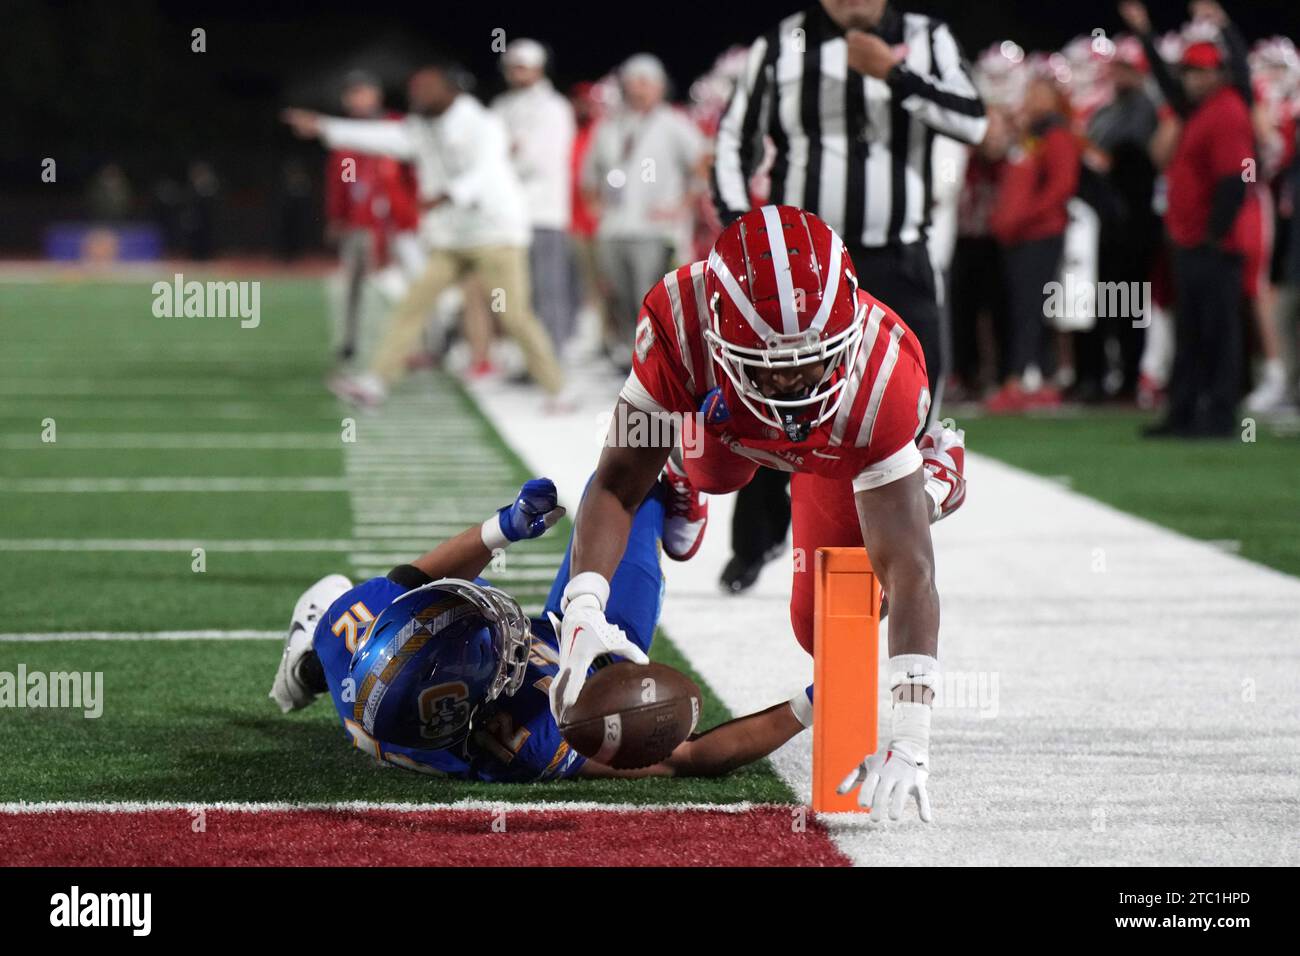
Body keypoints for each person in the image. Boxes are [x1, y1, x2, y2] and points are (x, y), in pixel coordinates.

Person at [549, 205, 968, 822]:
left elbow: (911, 571)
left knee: (824, 628)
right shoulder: (679, 324)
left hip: (836, 455)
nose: (799, 388)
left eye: (814, 361)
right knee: (717, 473)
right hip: (731, 427)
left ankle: (932, 479)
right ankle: (687, 474)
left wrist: (912, 734)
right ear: (720, 336)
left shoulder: (885, 376)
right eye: (774, 368)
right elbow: (615, 484)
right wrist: (583, 605)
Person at [268, 477, 814, 781]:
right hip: (570, 669)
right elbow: (689, 756)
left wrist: (501, 529)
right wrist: (818, 700)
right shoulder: (525, 740)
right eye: (500, 647)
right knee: (625, 488)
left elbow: (417, 577)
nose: (508, 624)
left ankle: (304, 668)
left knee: (328, 605)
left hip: (366, 676)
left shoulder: (354, 636)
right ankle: (668, 496)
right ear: (481, 700)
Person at [712, 0, 988, 417]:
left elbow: (973, 123)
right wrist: (740, 230)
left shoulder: (927, 37)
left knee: (913, 409)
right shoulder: (782, 43)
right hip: (802, 271)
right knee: (777, 412)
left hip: (900, 255)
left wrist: (894, 74)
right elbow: (734, 142)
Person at [283, 62, 569, 409]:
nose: (416, 94)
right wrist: (325, 127)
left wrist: (447, 194)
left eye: (427, 88)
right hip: (453, 239)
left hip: (496, 234)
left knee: (514, 316)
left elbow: (489, 172)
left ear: (451, 90)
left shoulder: (482, 123)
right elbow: (381, 137)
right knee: (412, 306)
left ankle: (557, 390)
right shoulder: (422, 126)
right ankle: (375, 382)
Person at [1121, 1, 1254, 437]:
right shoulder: (1198, 109)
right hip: (1191, 241)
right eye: (1189, 72)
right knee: (1191, 334)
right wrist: (1143, 33)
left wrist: (1214, 235)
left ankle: (1218, 417)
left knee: (1218, 334)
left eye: (1199, 71)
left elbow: (1237, 180)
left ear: (1219, 71)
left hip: (1213, 244)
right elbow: (1165, 81)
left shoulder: (1229, 108)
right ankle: (1183, 414)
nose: (1191, 79)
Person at [582, 54, 709, 368]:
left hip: (654, 230)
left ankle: (659, 363)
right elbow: (590, 173)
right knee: (619, 298)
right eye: (633, 81)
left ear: (660, 86)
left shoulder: (673, 123)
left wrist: (682, 205)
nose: (638, 89)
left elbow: (703, 162)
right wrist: (595, 206)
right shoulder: (609, 125)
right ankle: (631, 358)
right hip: (614, 227)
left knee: (651, 299)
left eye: (645, 82)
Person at [986, 75, 1081, 412]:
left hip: (1040, 236)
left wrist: (1019, 218)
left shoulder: (1057, 137)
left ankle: (1025, 380)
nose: (1031, 98)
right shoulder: (1030, 136)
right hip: (1020, 236)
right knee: (1022, 306)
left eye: (1039, 93)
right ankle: (1031, 376)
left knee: (1031, 307)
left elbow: (1060, 188)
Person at [323, 70, 421, 365]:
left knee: (413, 284)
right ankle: (351, 339)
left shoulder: (398, 127)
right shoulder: (347, 139)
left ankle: (420, 343)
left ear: (377, 95)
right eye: (353, 93)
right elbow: (343, 181)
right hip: (363, 222)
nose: (359, 99)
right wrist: (338, 217)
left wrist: (419, 211)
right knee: (354, 283)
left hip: (400, 220)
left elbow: (416, 173)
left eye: (363, 92)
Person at [492, 40, 580, 353]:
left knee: (548, 290)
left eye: (523, 67)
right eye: (512, 67)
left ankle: (552, 357)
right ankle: (529, 359)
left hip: (544, 212)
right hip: (506, 215)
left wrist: (504, 156)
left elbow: (541, 160)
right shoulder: (502, 106)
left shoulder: (555, 107)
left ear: (538, 69)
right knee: (516, 294)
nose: (516, 73)